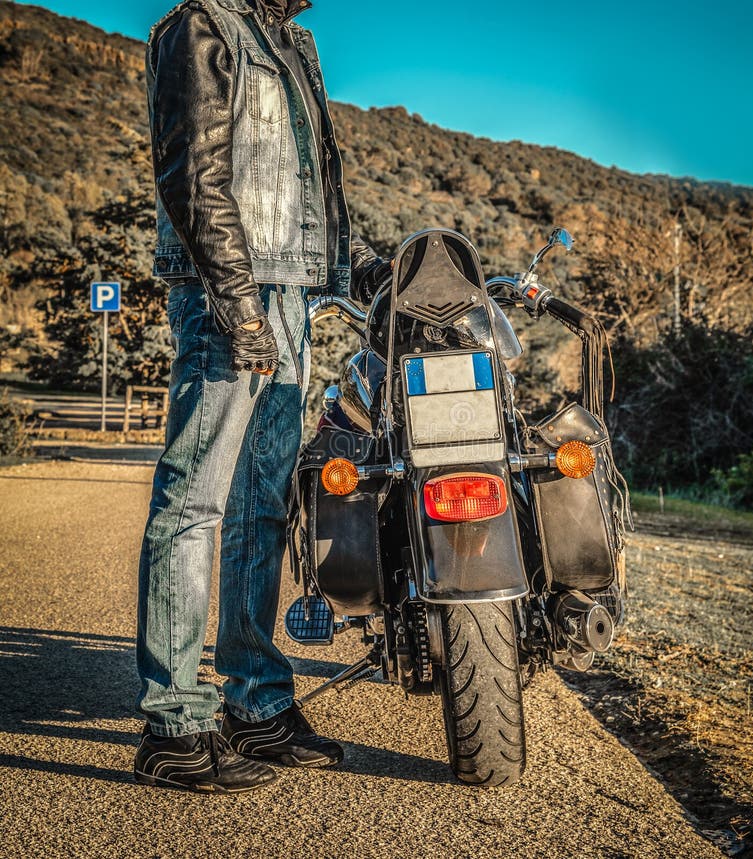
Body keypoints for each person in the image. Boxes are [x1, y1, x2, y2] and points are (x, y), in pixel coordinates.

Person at [135, 0, 390, 793]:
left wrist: (361, 273)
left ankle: (256, 705)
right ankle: (175, 724)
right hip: (230, 293)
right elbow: (191, 171)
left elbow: (311, 185)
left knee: (263, 505)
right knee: (195, 503)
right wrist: (238, 302)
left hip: (290, 295)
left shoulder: (290, 43)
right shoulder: (202, 25)